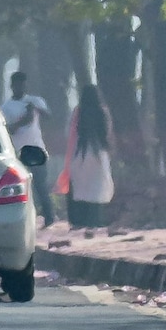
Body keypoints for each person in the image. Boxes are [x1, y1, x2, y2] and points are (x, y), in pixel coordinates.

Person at [1, 70, 55, 225]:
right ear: (12, 86)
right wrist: (24, 120)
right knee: (21, 188)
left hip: (37, 148)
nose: (21, 88)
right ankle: (24, 218)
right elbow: (8, 130)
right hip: (18, 153)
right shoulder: (6, 107)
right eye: (18, 85)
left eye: (23, 85)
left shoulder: (35, 101)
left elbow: (48, 116)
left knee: (41, 186)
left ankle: (49, 217)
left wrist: (36, 109)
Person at [65, 83, 115, 229]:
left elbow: (69, 132)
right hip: (99, 153)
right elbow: (107, 132)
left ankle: (80, 221)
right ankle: (95, 220)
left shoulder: (78, 112)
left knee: (81, 188)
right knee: (97, 188)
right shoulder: (102, 111)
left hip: (81, 153)